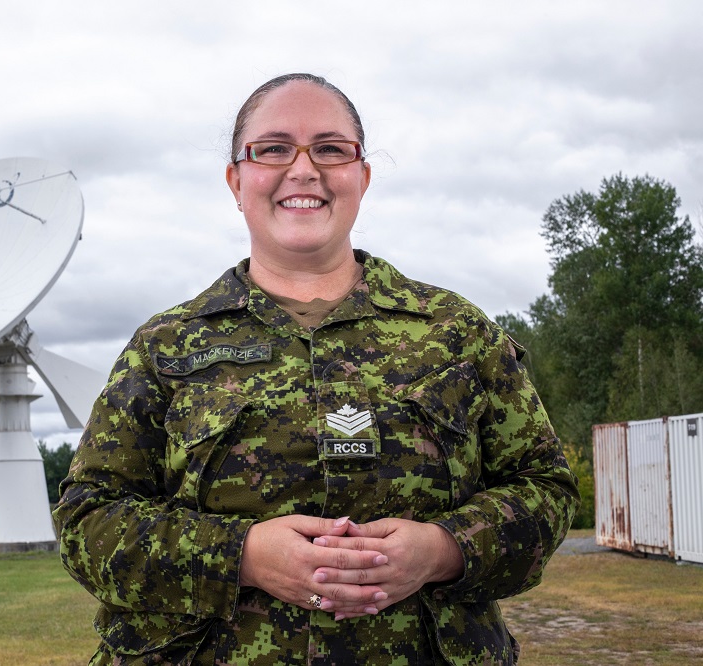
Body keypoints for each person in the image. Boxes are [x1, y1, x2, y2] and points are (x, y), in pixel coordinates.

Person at [53, 73, 580, 665]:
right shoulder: (164, 348)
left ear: (363, 176)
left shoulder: (458, 334)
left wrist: (442, 550)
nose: (303, 170)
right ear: (236, 179)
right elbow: (87, 519)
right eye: (273, 149)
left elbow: (547, 489)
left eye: (331, 149)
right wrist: (241, 555)